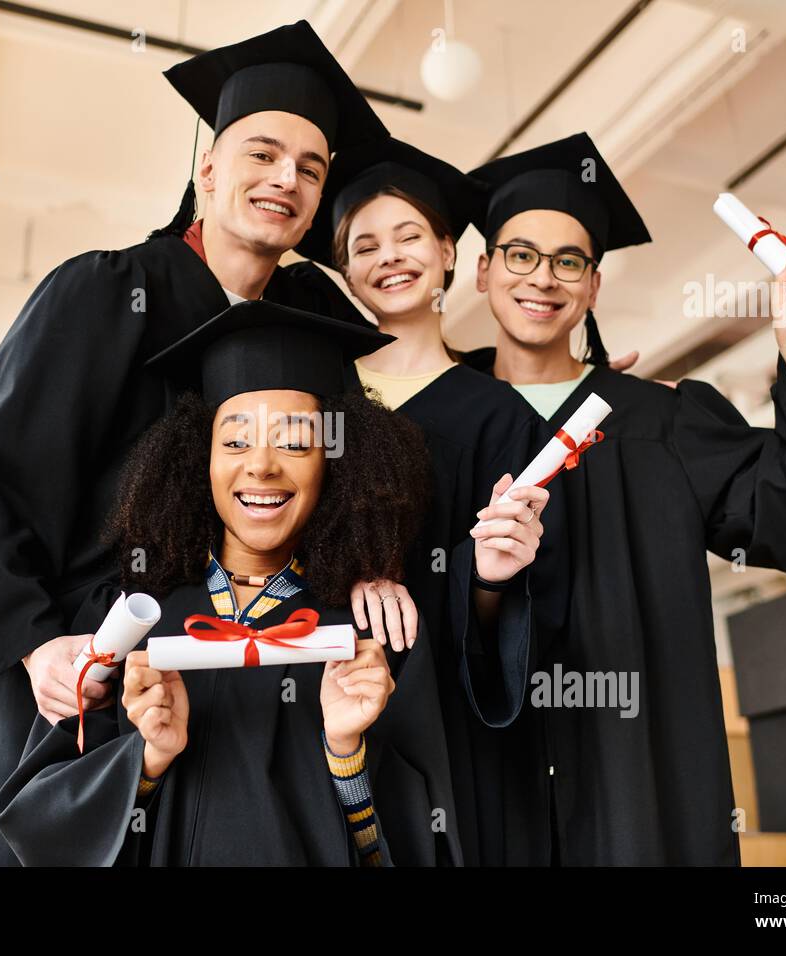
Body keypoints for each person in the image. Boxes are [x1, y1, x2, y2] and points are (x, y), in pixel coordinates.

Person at [0, 21, 418, 866]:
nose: (286, 178)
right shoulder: (104, 294)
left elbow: (352, 476)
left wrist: (370, 560)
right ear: (206, 169)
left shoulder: (313, 319)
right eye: (262, 153)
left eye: (311, 168)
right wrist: (35, 645)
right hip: (82, 662)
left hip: (232, 669)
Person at [465, 131, 786, 864]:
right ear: (482, 270)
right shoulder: (441, 426)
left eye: (570, 260)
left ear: (594, 286)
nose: (544, 277)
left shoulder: (660, 421)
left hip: (642, 789)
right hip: (489, 786)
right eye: (521, 254)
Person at [0, 300, 526, 865]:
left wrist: (346, 753)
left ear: (336, 462)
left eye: (295, 442)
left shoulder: (370, 637)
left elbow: (422, 849)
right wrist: (144, 763)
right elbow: (39, 829)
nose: (262, 466)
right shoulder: (131, 622)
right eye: (235, 441)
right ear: (200, 459)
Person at [287, 136, 567, 864]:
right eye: (365, 245)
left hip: (442, 705)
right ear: (344, 270)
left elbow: (512, 618)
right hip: (315, 684)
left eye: (410, 236)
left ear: (448, 252)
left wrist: (491, 577)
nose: (390, 257)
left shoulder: (500, 417)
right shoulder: (314, 400)